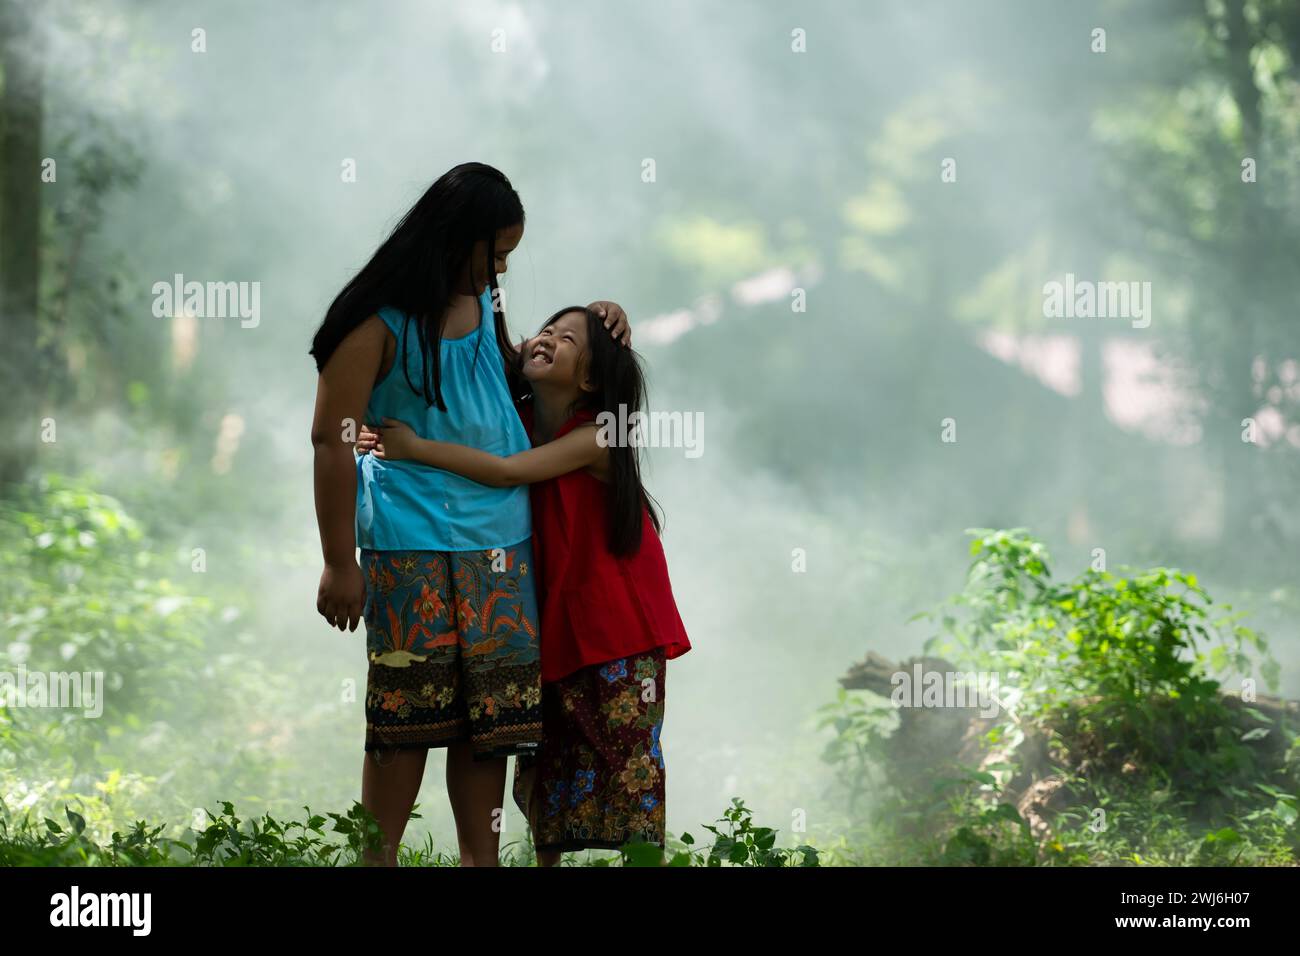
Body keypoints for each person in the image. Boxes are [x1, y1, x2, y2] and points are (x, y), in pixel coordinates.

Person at [308, 163, 630, 866]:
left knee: (491, 723)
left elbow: (511, 377)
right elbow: (330, 443)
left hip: (502, 544)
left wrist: (599, 317)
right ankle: (377, 859)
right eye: (495, 255)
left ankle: (480, 863)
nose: (501, 272)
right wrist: (339, 562)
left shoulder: (481, 306)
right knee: (405, 718)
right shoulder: (372, 320)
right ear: (453, 241)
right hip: (410, 541)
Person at [359, 304, 691, 865]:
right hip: (554, 619)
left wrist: (415, 448)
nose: (545, 340)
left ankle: (645, 860)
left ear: (588, 379)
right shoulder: (515, 413)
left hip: (617, 628)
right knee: (547, 754)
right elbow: (488, 344)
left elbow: (509, 472)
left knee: (627, 759)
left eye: (566, 340)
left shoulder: (596, 436)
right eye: (547, 330)